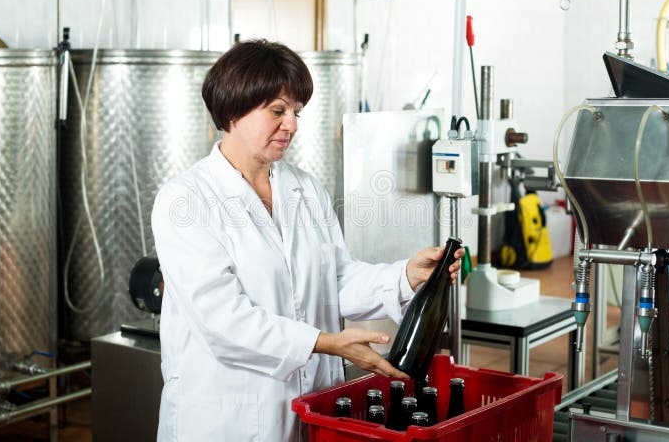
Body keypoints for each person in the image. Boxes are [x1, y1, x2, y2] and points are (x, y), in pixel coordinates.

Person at [151, 39, 463, 441]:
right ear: (232, 111)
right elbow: (222, 320)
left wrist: (405, 276)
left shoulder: (304, 189)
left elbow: (333, 283)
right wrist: (327, 343)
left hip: (311, 409)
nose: (293, 125)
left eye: (296, 112)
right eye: (278, 111)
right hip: (227, 417)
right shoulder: (186, 200)